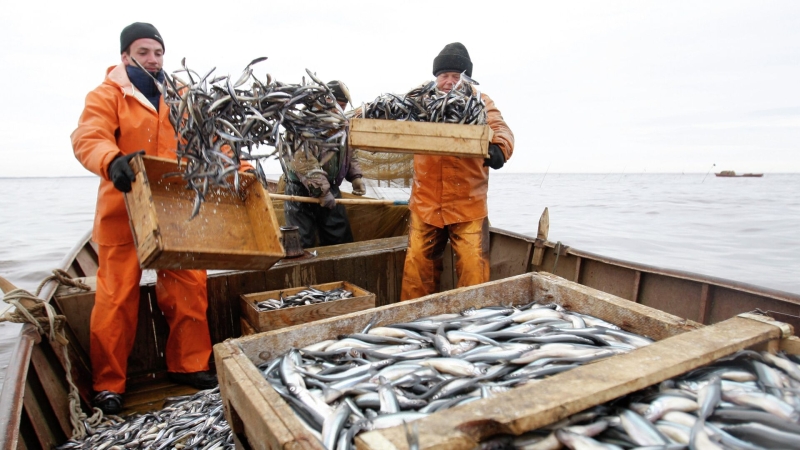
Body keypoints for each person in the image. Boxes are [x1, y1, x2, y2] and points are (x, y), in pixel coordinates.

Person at [71, 22, 218, 415]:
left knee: (189, 287)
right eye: (143, 52)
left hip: (176, 210)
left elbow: (212, 141)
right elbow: (88, 136)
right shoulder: (107, 94)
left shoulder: (183, 96)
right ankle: (108, 384)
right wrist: (111, 160)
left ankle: (190, 365)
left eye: (158, 52)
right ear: (125, 55)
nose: (153, 59)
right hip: (123, 212)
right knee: (116, 298)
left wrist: (239, 168)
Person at [400, 42, 514, 300]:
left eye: (456, 76)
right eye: (444, 75)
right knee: (417, 271)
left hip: (468, 205)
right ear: (436, 77)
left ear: (466, 78)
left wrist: (500, 148)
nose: (449, 82)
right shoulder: (420, 100)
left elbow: (501, 129)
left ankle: (473, 319)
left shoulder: (480, 101)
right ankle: (414, 317)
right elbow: (385, 115)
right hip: (425, 204)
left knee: (474, 271)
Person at [280, 80, 366, 249]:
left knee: (339, 239)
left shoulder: (342, 124)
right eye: (338, 105)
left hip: (330, 188)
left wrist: (355, 176)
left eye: (343, 107)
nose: (340, 111)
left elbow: (348, 152)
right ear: (325, 100)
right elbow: (303, 160)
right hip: (300, 191)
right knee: (302, 241)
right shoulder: (301, 123)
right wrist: (321, 191)